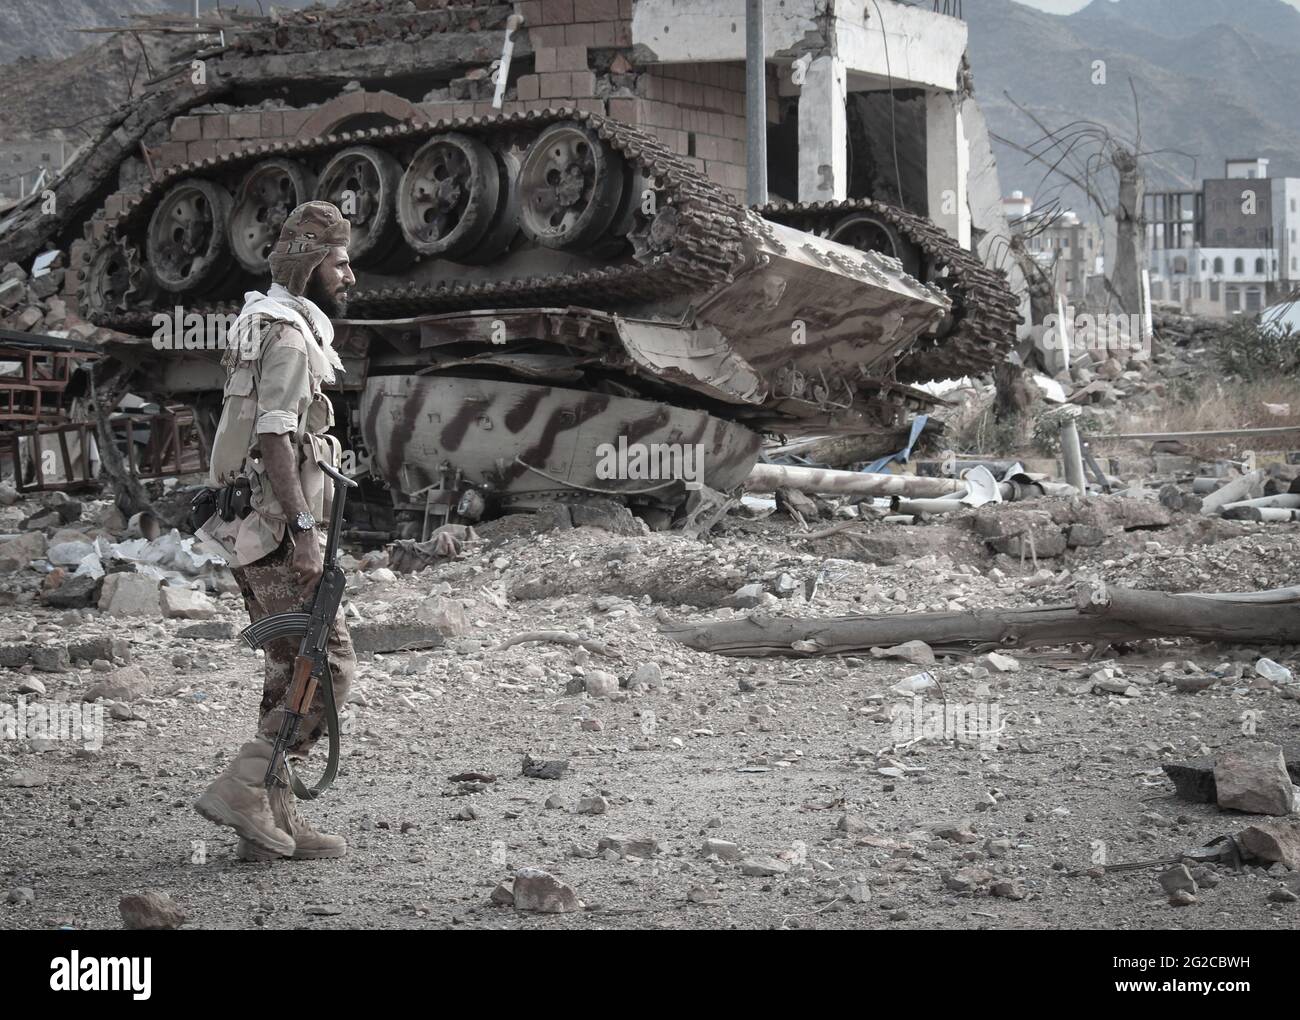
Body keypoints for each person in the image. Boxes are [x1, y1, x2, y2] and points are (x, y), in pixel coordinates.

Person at [193, 201, 358, 862]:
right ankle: (244, 786)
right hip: (277, 530)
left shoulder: (267, 319)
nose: (349, 277)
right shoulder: (288, 336)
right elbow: (273, 436)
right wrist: (306, 528)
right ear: (314, 263)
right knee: (330, 667)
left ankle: (273, 828)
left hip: (252, 527)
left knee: (287, 668)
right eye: (341, 263)